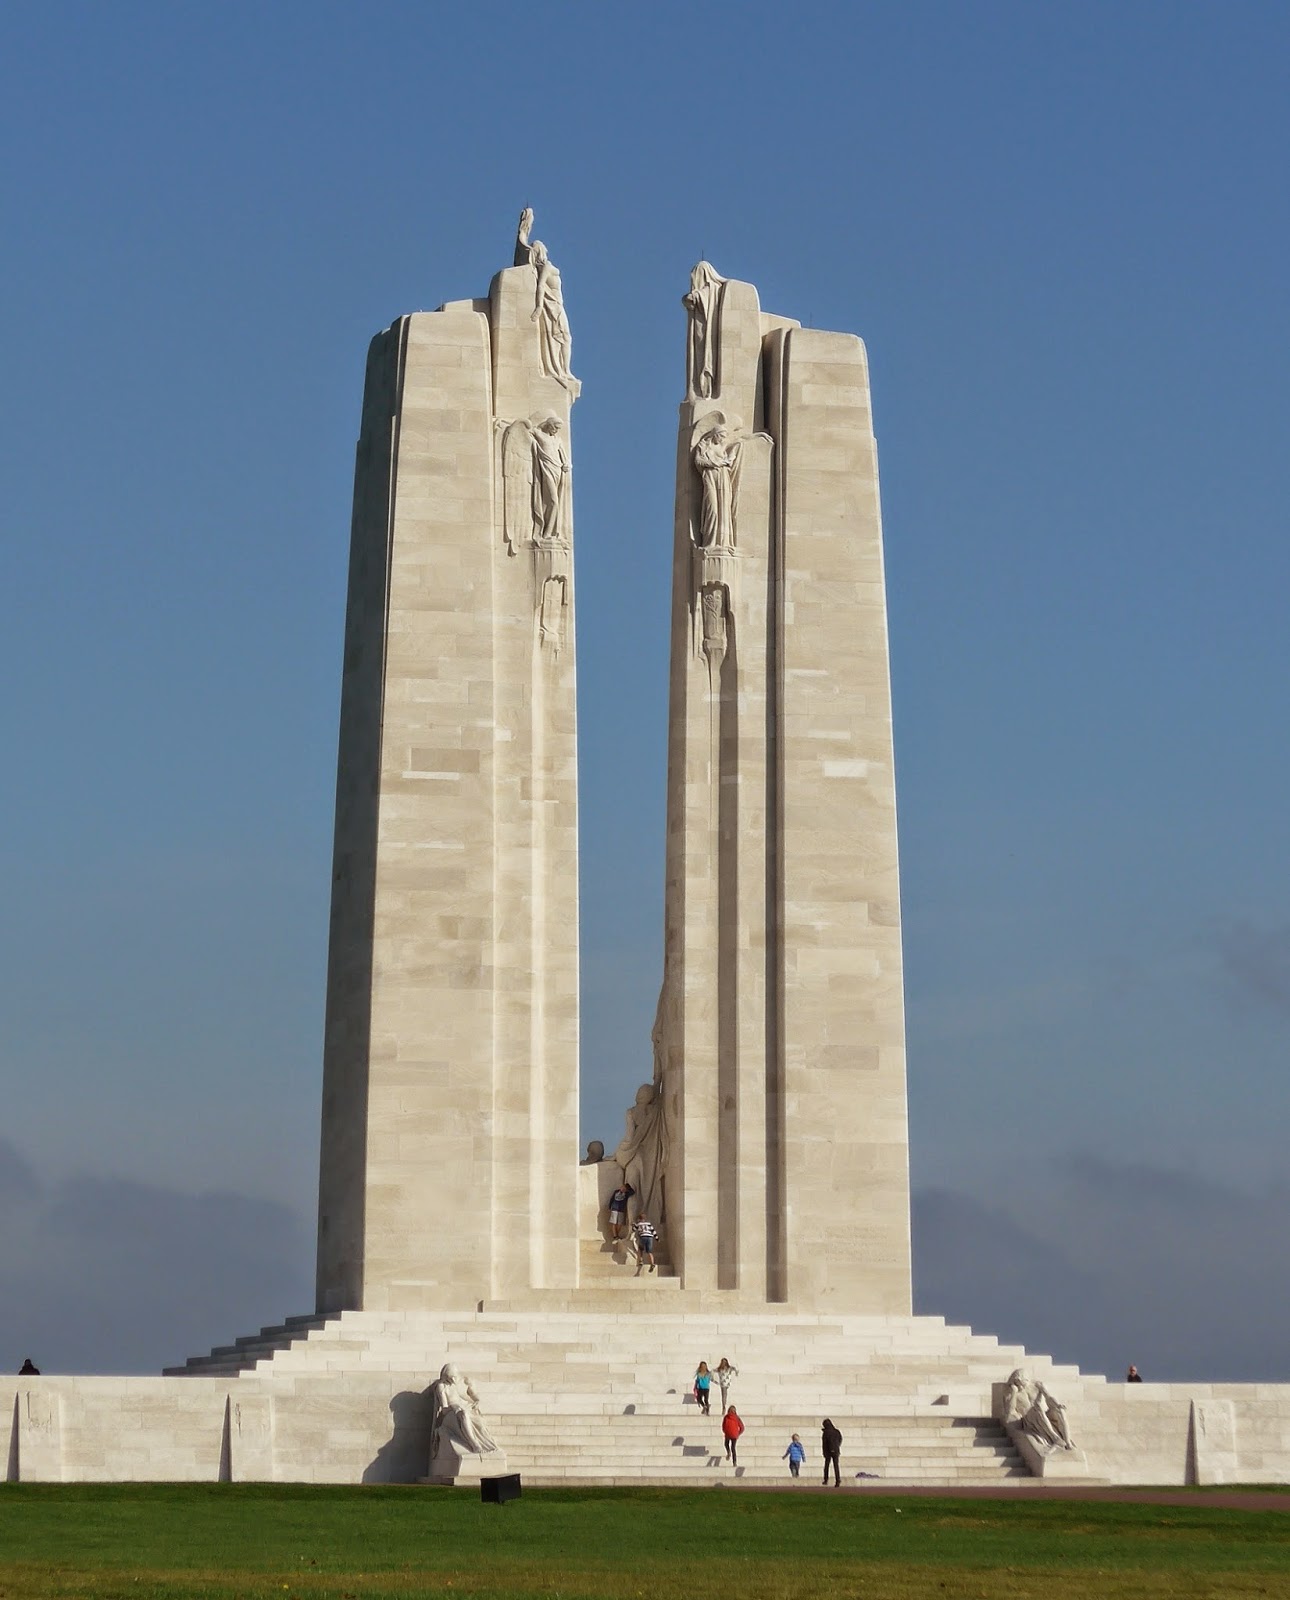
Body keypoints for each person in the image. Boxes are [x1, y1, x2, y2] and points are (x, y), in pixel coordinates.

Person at [821, 1418, 843, 1486]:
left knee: (827, 1465)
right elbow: (840, 1439)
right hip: (836, 1450)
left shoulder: (826, 1433)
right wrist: (837, 1446)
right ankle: (838, 1480)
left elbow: (824, 1443)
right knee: (836, 1466)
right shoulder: (836, 1431)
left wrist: (824, 1452)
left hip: (828, 1450)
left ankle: (826, 1479)